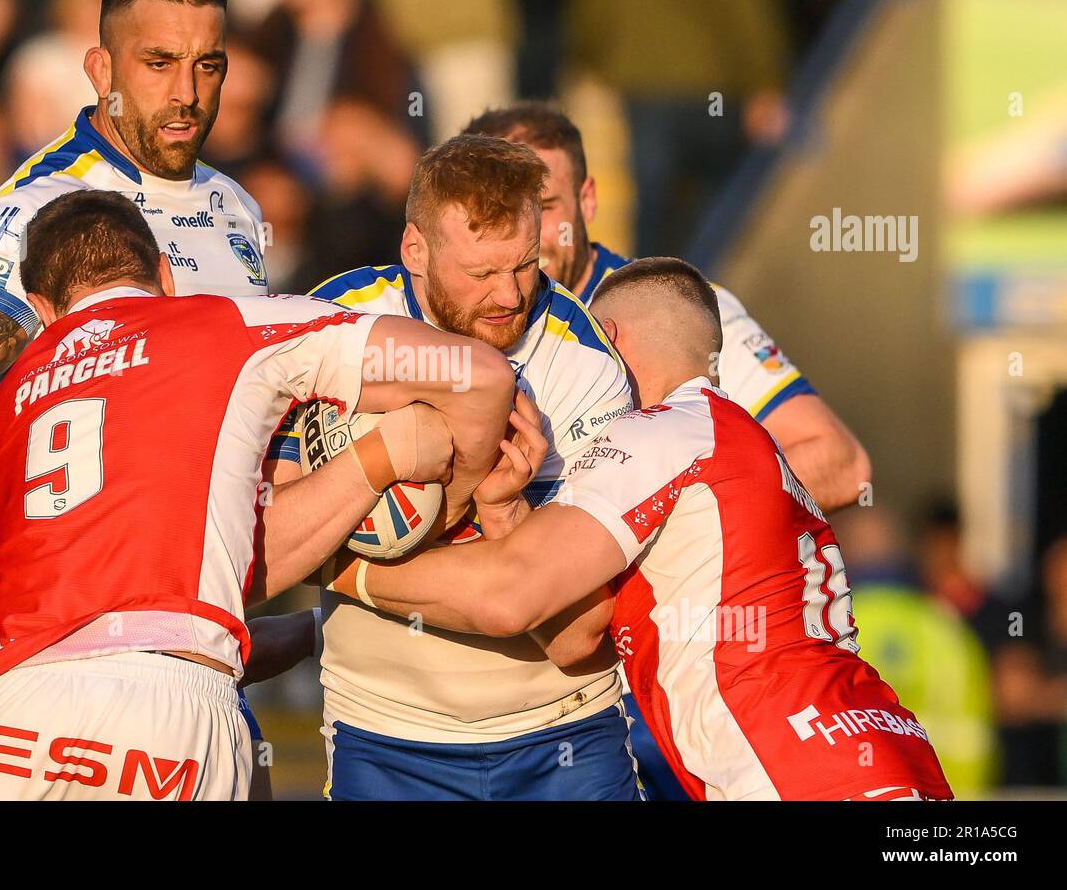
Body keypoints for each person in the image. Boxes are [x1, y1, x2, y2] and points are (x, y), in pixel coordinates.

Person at [0, 189, 515, 800]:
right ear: (165, 276)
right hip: (164, 722)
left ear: (43, 310)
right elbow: (482, 375)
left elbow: (110, 608)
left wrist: (315, 629)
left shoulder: (11, 397)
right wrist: (443, 494)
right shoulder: (225, 322)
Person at [327, 257, 953, 801]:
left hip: (793, 769)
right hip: (877, 750)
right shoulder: (738, 439)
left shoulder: (664, 432)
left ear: (609, 337)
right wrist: (503, 512)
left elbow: (507, 594)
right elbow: (571, 640)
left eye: (583, 342)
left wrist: (336, 560)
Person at [0, 0, 281, 796]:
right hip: (39, 624)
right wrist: (134, 462)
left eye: (207, 64)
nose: (187, 92)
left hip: (182, 623)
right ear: (100, 68)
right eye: (158, 63)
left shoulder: (237, 208)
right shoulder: (41, 203)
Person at [463, 103, 873, 796]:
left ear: (589, 199)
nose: (528, 234)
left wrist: (634, 515)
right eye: (502, 212)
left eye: (547, 205)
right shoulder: (458, 325)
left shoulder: (674, 308)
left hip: (647, 706)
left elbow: (838, 460)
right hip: (490, 702)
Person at [267, 134, 639, 800]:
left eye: (524, 265)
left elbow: (580, 633)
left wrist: (505, 514)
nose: (510, 295)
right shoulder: (332, 326)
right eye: (481, 273)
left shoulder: (583, 363)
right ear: (415, 249)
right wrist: (502, 572)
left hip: (564, 735)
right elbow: (270, 546)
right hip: (382, 735)